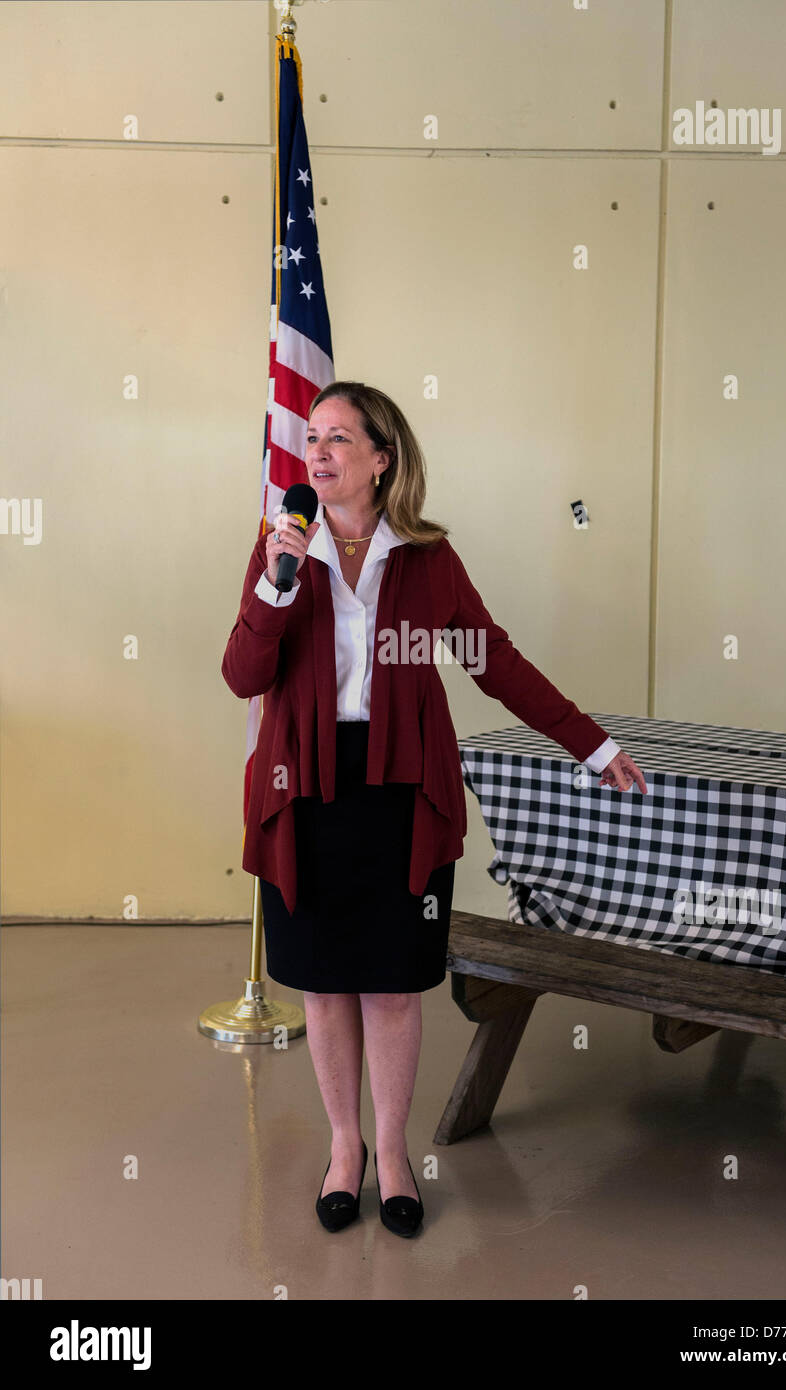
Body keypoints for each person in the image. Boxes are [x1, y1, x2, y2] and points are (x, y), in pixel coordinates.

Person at [221, 381, 647, 1238]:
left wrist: (591, 745)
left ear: (382, 459)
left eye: (339, 438)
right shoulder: (281, 552)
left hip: (399, 791)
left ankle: (391, 1152)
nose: (318, 452)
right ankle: (343, 1150)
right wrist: (275, 587)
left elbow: (496, 662)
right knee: (324, 983)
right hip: (303, 790)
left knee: (391, 985)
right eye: (313, 437)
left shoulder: (426, 559)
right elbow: (243, 675)